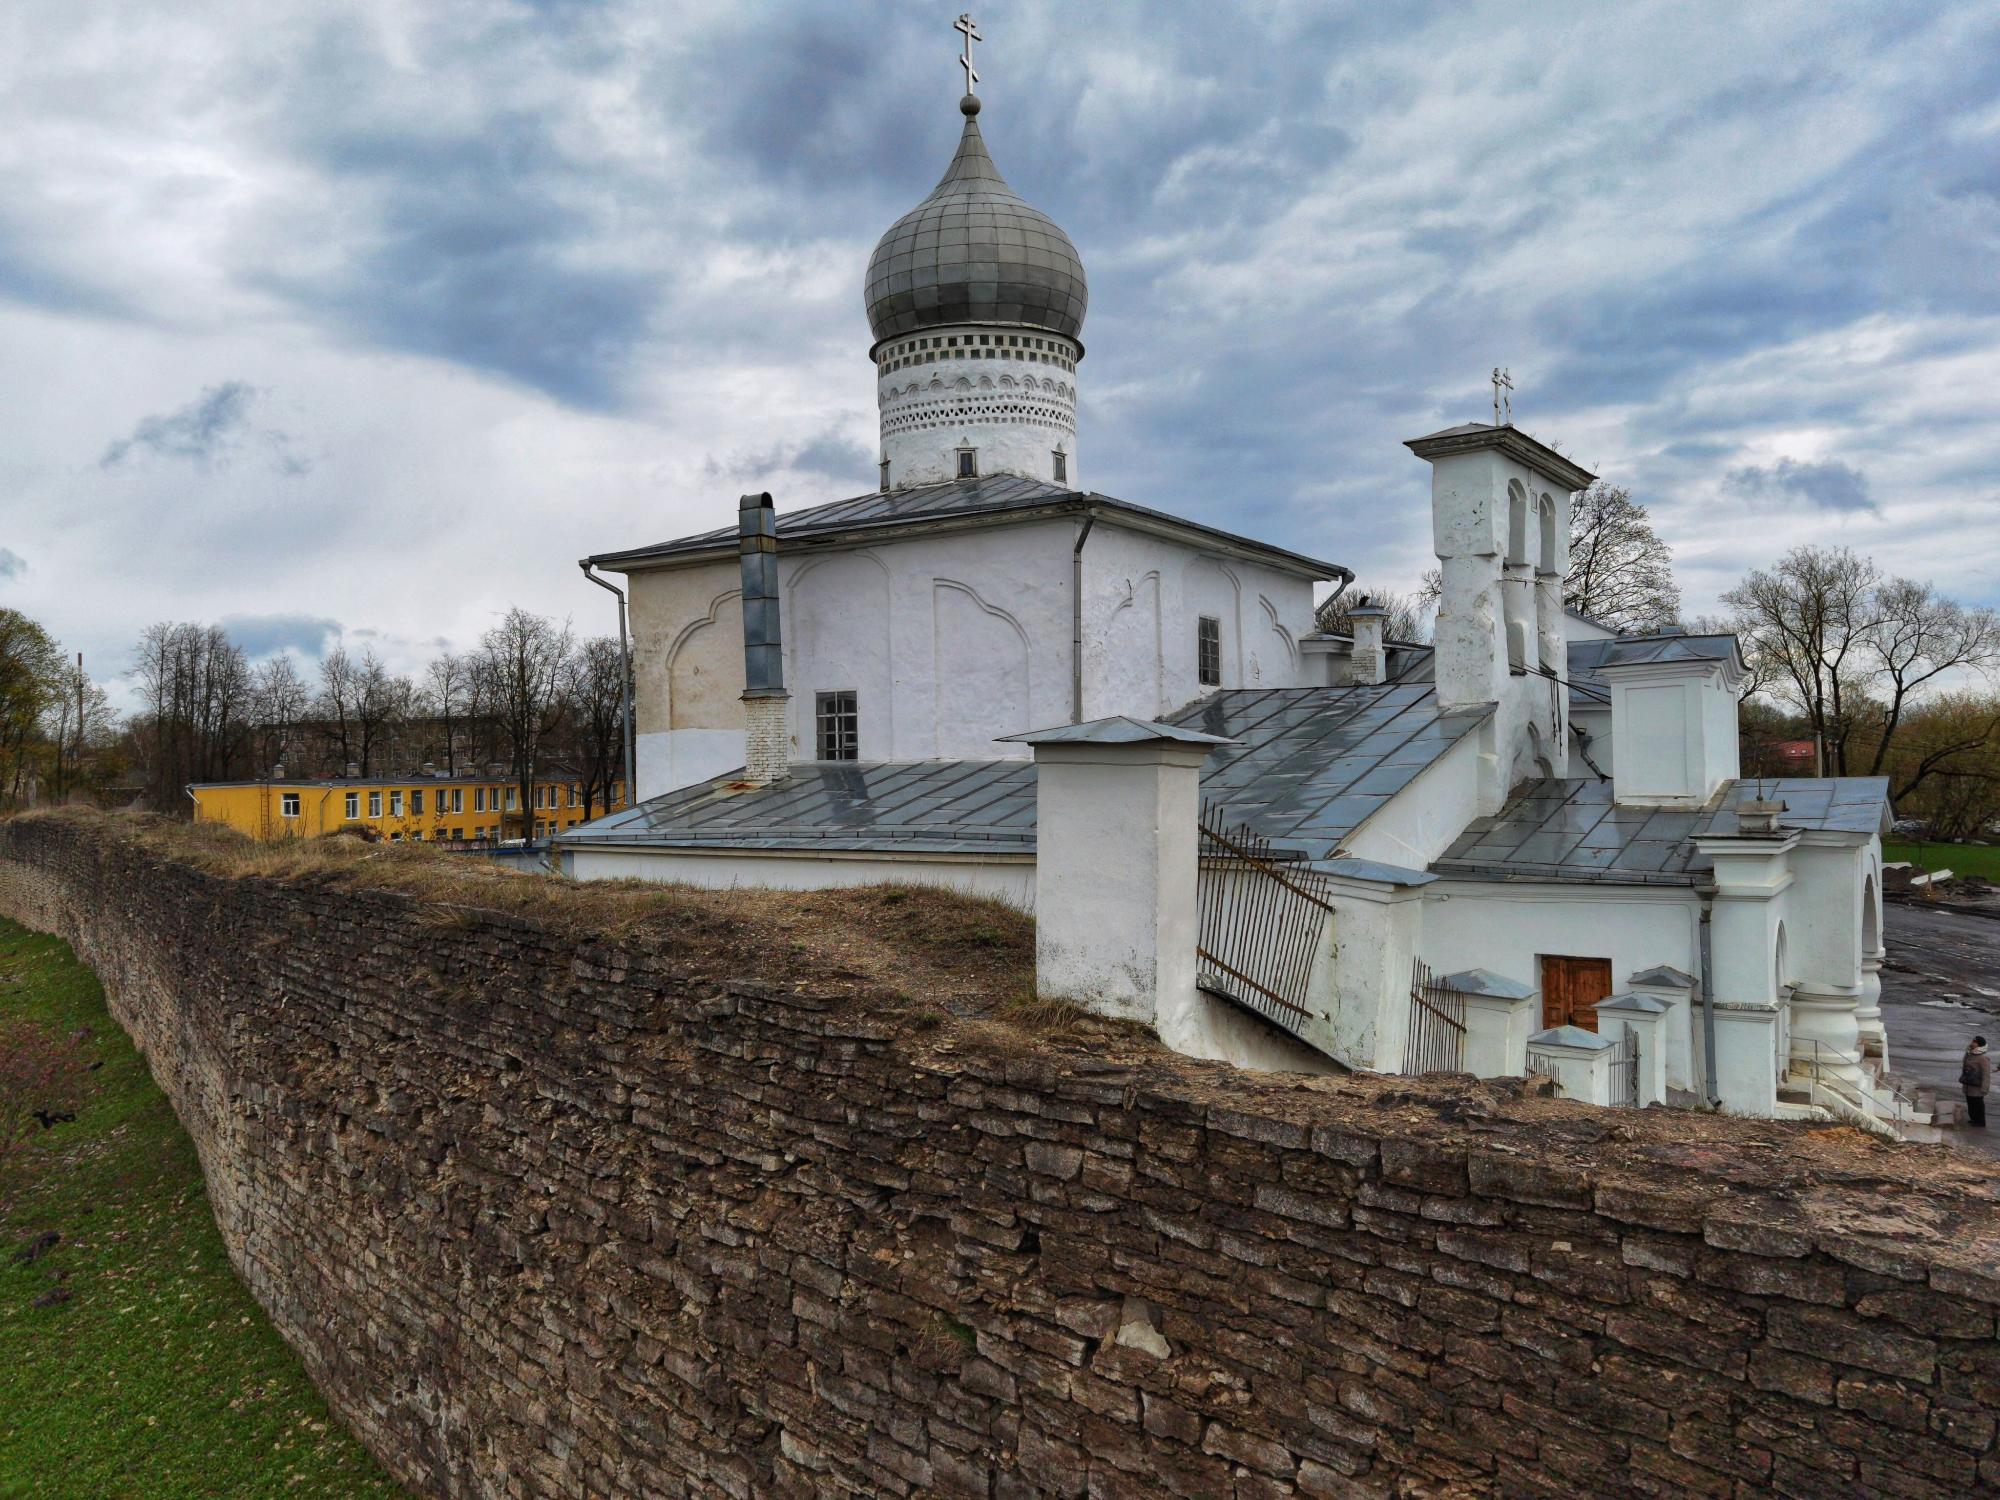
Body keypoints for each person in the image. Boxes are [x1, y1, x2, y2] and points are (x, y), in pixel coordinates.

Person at [1964, 1037, 1991, 1128]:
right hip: (1969, 1084)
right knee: (1970, 1103)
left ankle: (1980, 1122)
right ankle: (1973, 1119)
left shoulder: (1982, 1058)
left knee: (1978, 1104)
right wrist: (1968, 1051)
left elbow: (1986, 1074)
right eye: (1972, 1041)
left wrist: (1985, 1088)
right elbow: (1964, 1064)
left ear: (1979, 1045)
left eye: (1974, 1042)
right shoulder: (1970, 1054)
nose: (1972, 1043)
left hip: (1977, 1087)